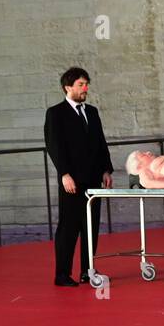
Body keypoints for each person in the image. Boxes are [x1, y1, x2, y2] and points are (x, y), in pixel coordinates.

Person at [44, 67, 113, 286]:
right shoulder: (56, 113)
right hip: (72, 181)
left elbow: (100, 143)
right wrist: (64, 174)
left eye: (86, 84)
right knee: (69, 227)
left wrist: (106, 170)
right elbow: (55, 147)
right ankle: (62, 274)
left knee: (90, 227)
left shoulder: (91, 112)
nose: (86, 88)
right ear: (68, 87)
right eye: (81, 85)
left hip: (94, 179)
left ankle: (87, 271)